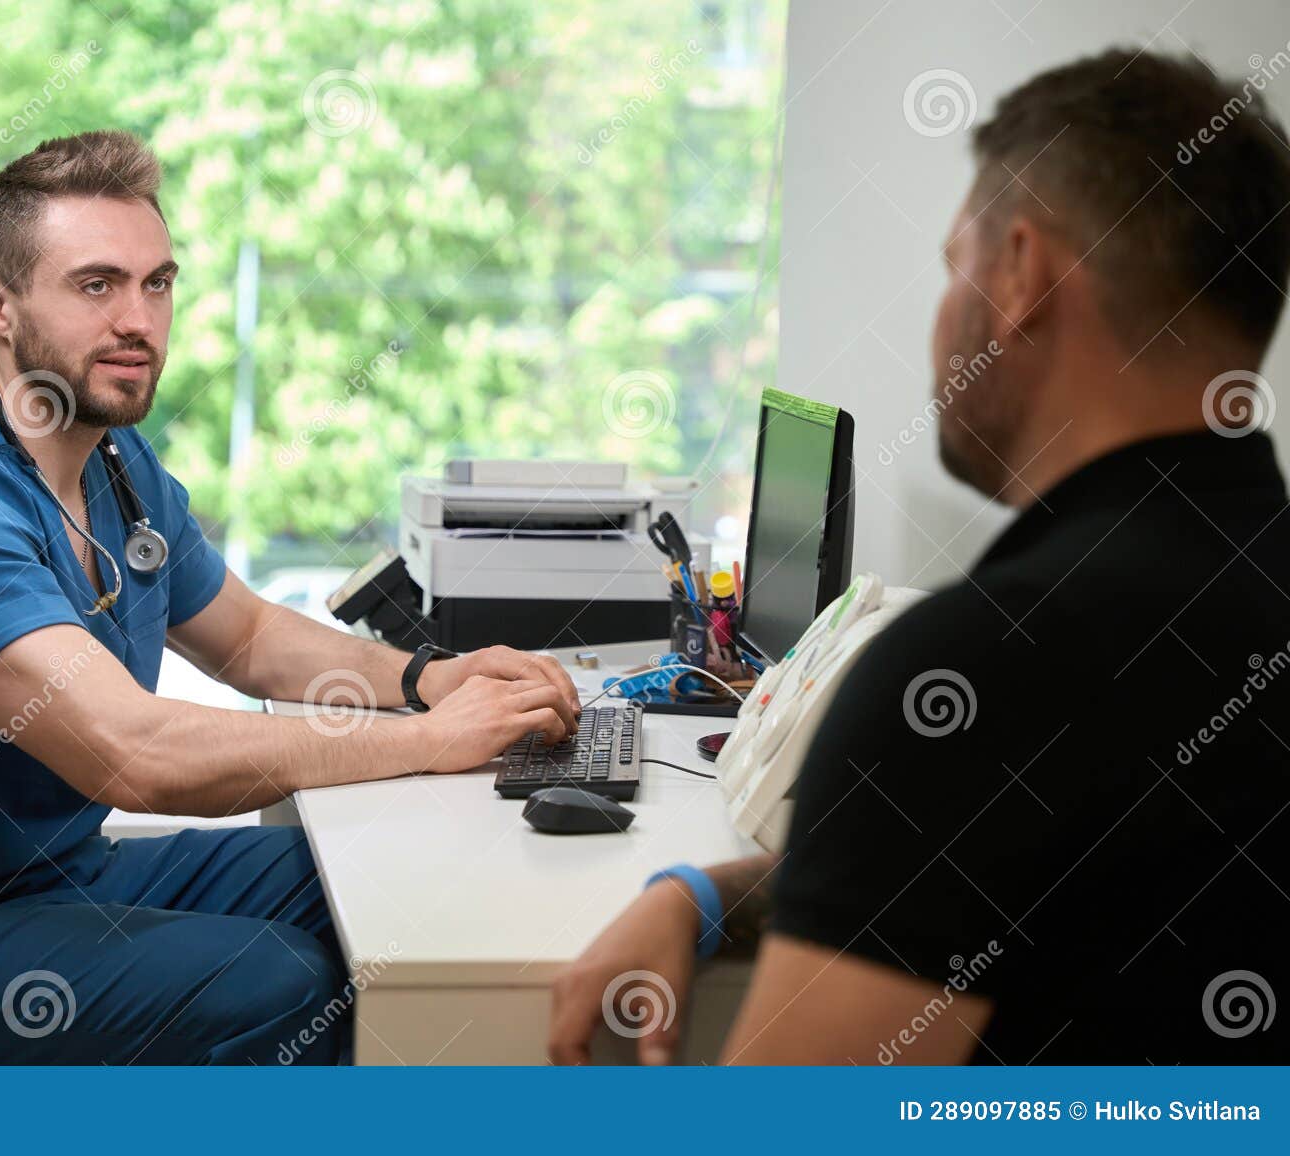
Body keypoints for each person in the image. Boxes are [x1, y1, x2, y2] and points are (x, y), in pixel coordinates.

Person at [0, 130, 580, 1065]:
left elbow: (252, 638)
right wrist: (431, 742)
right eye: (96, 285)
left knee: (393, 872)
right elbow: (131, 755)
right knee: (278, 982)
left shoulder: (115, 464)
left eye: (159, 283)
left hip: (58, 882)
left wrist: (429, 676)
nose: (139, 320)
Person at [549, 48, 1290, 1065]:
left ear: (1021, 274)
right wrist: (703, 895)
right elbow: (1055, 883)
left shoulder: (990, 666)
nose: (942, 319)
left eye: (955, 264)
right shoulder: (1232, 594)